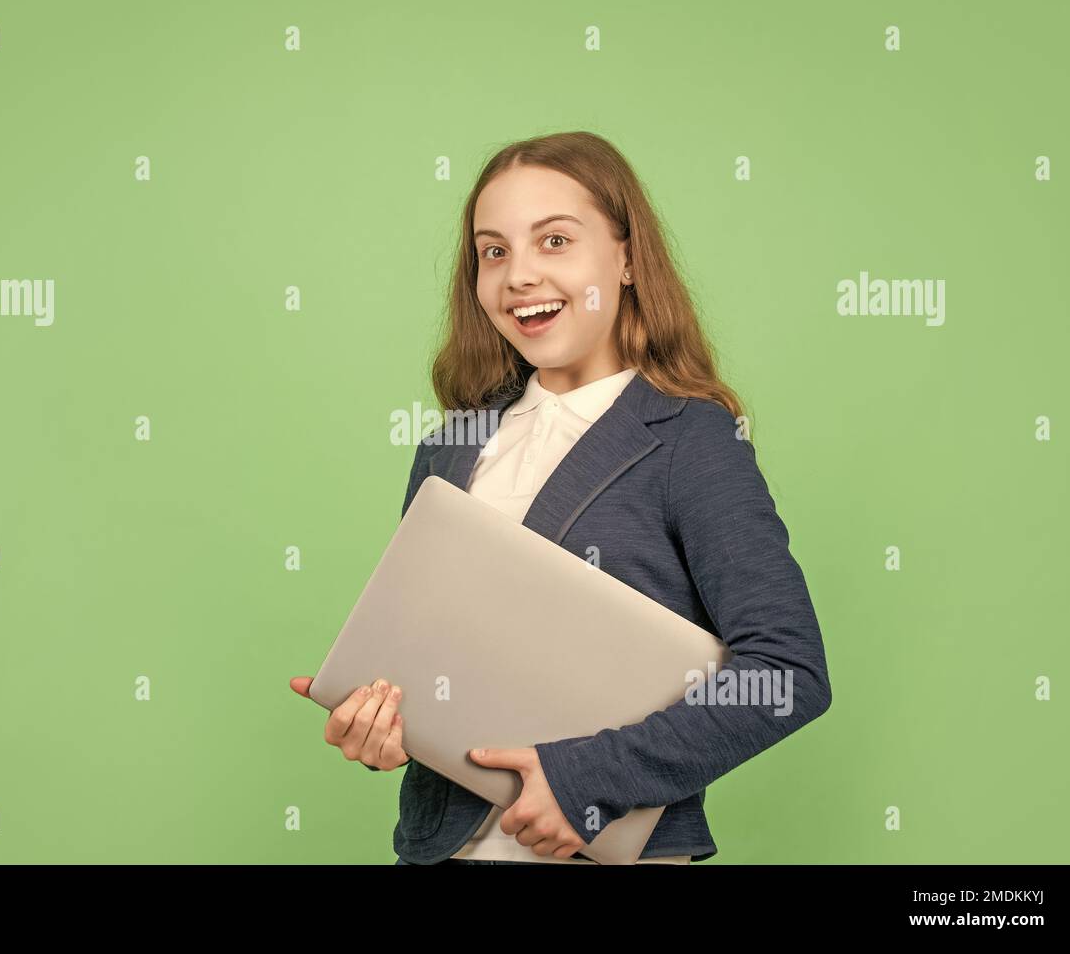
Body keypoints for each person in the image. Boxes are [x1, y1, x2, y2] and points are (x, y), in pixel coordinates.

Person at [291, 131, 832, 865]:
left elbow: (786, 671)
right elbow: (437, 657)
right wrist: (384, 723)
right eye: (494, 251)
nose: (519, 275)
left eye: (554, 240)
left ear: (628, 258)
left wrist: (589, 778)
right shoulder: (452, 444)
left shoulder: (690, 438)